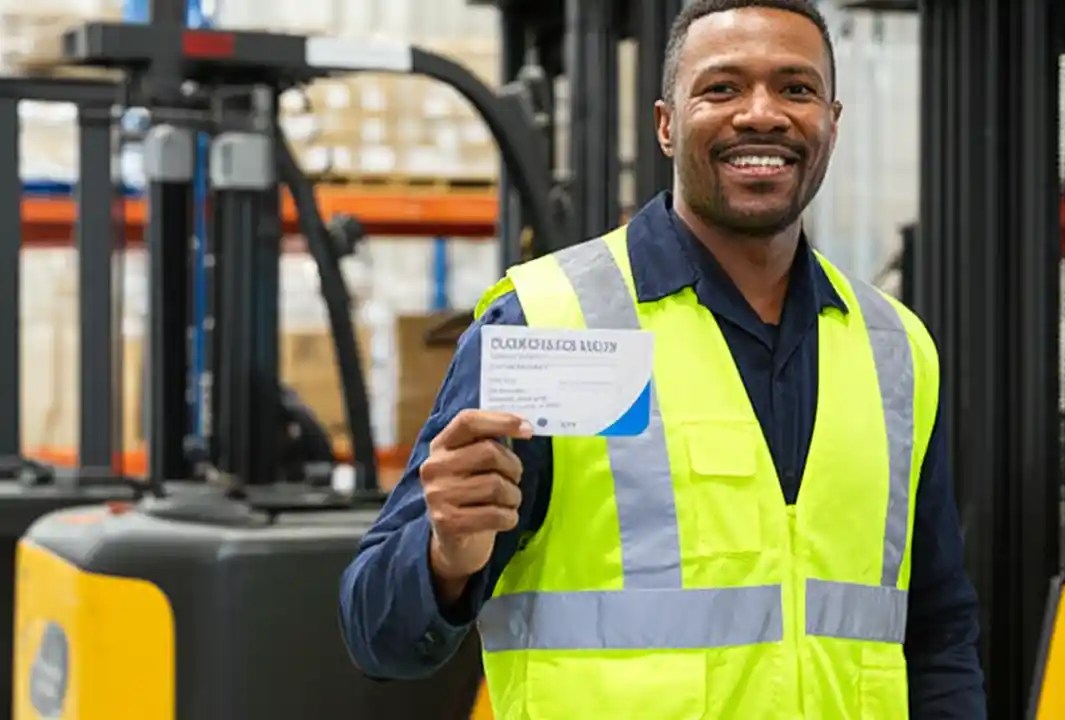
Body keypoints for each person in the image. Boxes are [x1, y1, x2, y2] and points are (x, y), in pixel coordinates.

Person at [338, 0, 986, 717]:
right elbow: (377, 635)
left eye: (795, 88)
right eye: (722, 88)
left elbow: (937, 633)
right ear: (666, 125)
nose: (762, 113)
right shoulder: (555, 323)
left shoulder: (893, 348)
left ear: (833, 121)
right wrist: (444, 557)